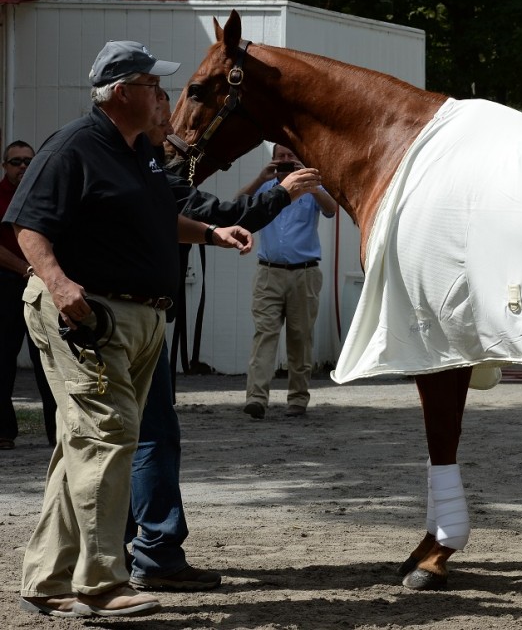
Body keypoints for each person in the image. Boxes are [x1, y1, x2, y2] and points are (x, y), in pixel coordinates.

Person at [5, 40, 253, 619]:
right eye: (152, 85)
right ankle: (100, 582)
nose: (163, 96)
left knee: (86, 444)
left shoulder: (138, 150)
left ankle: (47, 580)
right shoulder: (73, 146)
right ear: (120, 93)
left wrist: (210, 233)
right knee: (107, 437)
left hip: (139, 317)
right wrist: (61, 288)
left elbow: (157, 218)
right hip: (88, 316)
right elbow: (26, 225)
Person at [125, 91, 325, 593]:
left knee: (143, 434)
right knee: (143, 434)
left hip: (152, 313)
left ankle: (134, 548)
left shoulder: (144, 164)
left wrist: (212, 234)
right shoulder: (120, 159)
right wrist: (270, 188)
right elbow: (219, 207)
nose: (175, 126)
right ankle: (140, 552)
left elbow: (193, 214)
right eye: (163, 110)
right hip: (125, 314)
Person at [238, 144, 338, 419]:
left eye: (290, 156)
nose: (285, 161)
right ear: (273, 161)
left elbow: (331, 209)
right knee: (264, 335)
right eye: (280, 157)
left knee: (300, 337)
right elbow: (236, 204)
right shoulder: (265, 188)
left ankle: (298, 398)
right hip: (268, 273)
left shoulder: (311, 188)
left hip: (304, 273)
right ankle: (256, 398)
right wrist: (261, 178)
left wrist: (310, 184)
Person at [0, 140, 57, 449]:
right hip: (6, 285)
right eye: (16, 161)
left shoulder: (44, 194)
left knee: (49, 359)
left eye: (28, 161)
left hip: (43, 285)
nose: (23, 166)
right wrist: (27, 268)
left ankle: (57, 432)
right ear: (4, 166)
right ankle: (3, 432)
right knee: (2, 359)